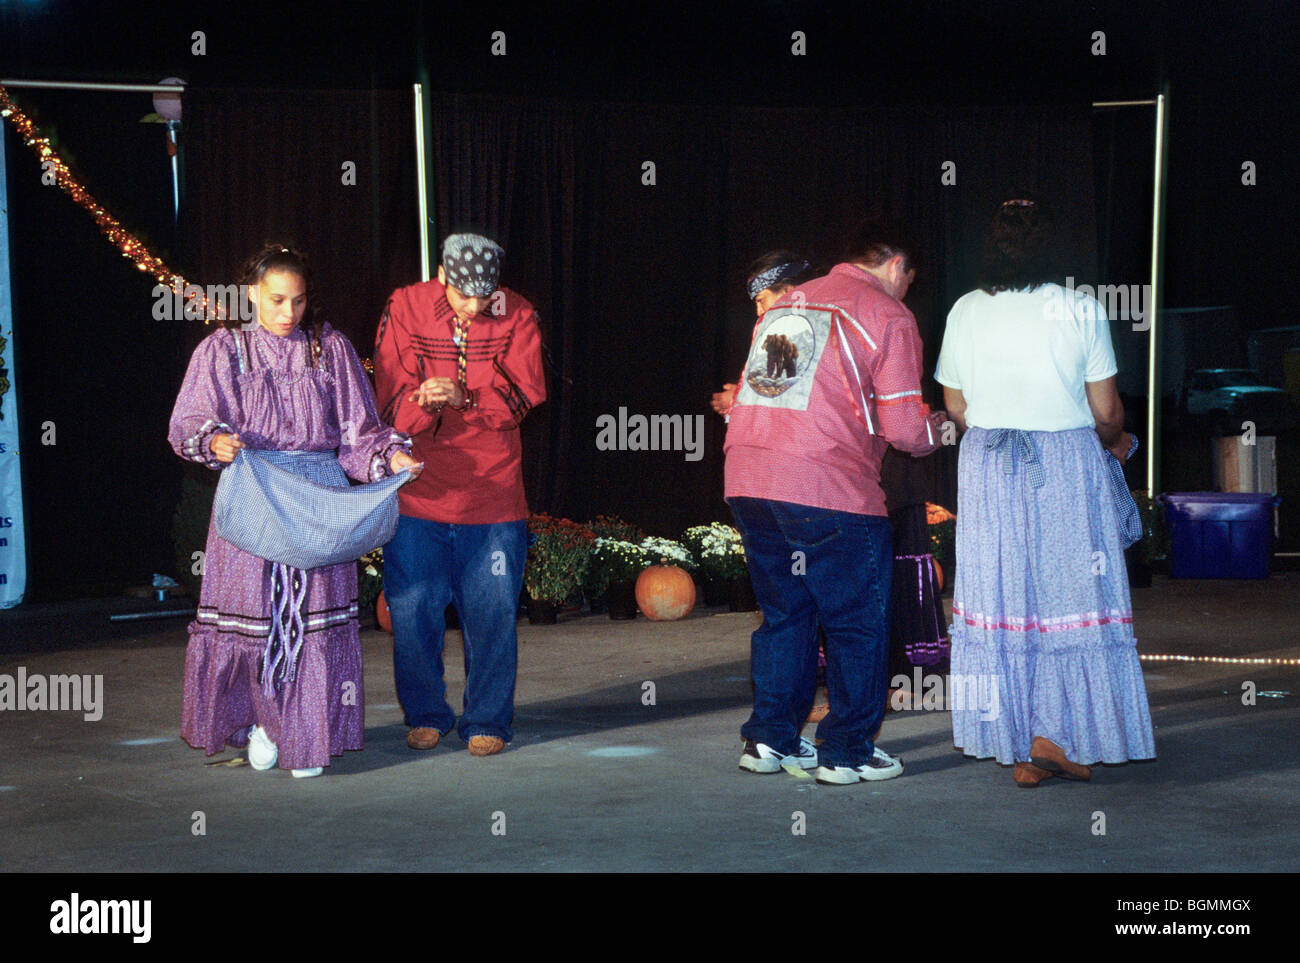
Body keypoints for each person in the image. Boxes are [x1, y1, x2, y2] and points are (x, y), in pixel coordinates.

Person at [169, 244, 420, 778]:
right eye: (277, 300)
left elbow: (359, 433)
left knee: (311, 626)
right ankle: (264, 722)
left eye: (299, 301)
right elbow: (189, 418)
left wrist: (390, 456)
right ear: (251, 294)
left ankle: (303, 736)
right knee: (255, 622)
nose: (288, 313)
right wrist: (212, 442)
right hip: (252, 496)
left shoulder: (330, 350)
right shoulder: (223, 351)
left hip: (316, 502)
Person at [935, 195, 1156, 787]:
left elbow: (955, 408)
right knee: (1066, 596)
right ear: (1054, 247)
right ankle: (1052, 737)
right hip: (1063, 460)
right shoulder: (1078, 308)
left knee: (1005, 594)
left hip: (987, 462)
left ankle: (1020, 739)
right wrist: (1117, 439)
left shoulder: (964, 311)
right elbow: (1106, 410)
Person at [724, 221, 946, 785]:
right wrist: (940, 428)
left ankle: (770, 741)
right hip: (828, 490)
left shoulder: (788, 304)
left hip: (749, 480)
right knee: (858, 624)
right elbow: (903, 430)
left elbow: (769, 393)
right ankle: (846, 752)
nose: (906, 291)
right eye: (909, 279)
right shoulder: (888, 313)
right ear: (897, 265)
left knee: (785, 616)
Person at [373, 232, 546, 757]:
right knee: (412, 610)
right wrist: (424, 403)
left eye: (484, 294)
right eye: (463, 293)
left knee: (491, 611)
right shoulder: (403, 305)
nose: (475, 306)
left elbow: (525, 396)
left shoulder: (517, 313)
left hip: (492, 495)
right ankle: (426, 712)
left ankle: (488, 717)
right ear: (442, 276)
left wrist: (465, 396)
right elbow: (383, 398)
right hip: (418, 491)